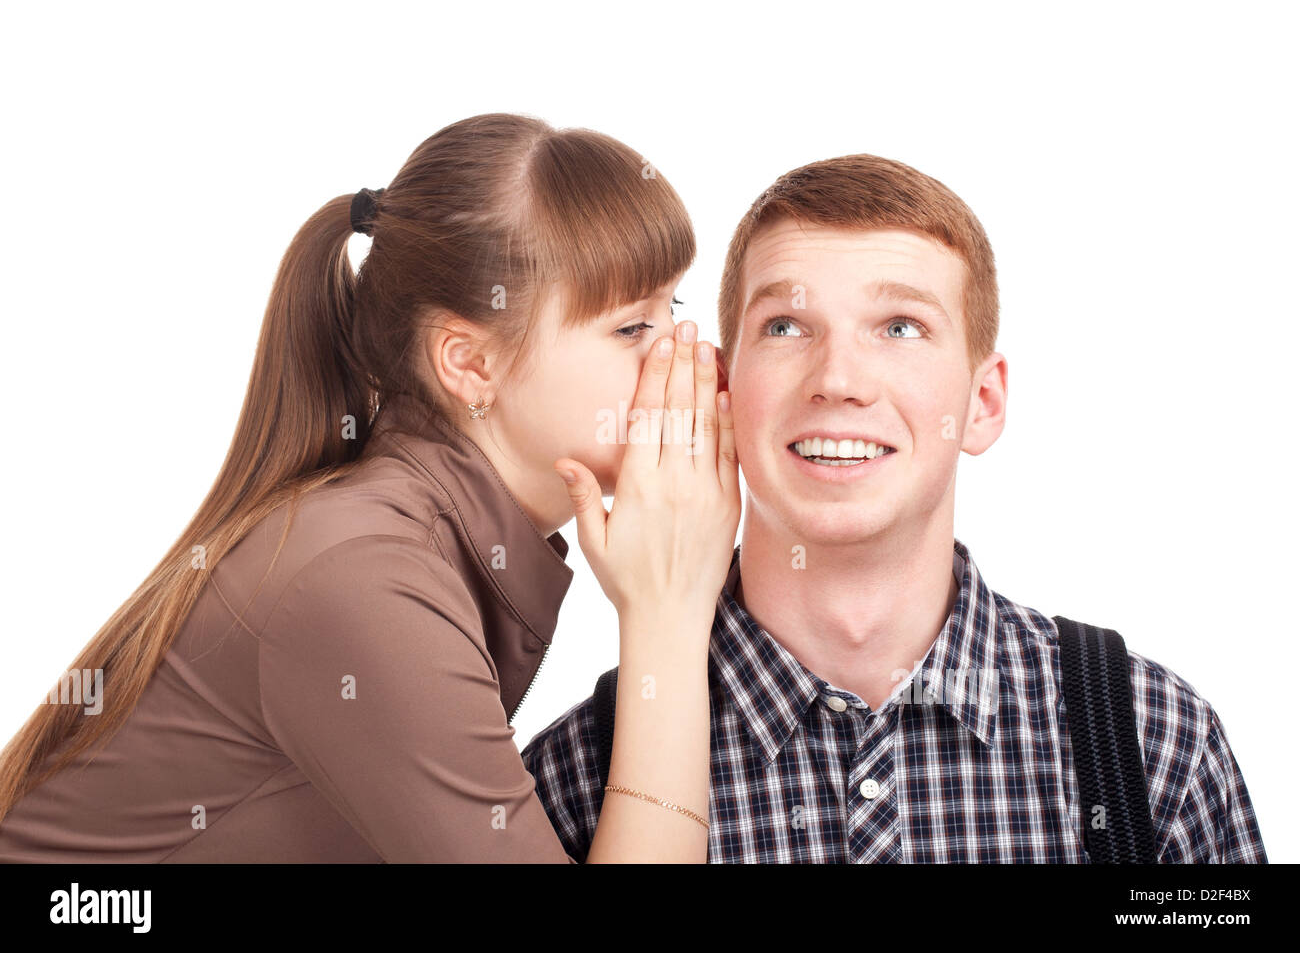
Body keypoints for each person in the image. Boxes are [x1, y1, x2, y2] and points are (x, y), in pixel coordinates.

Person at [0, 112, 740, 862]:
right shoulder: (366, 575)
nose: (687, 353)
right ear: (470, 364)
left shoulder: (406, 542)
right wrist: (668, 618)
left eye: (672, 309)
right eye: (630, 328)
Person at [522, 152, 1268, 863]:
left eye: (901, 328)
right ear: (721, 391)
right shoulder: (577, 780)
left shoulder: (1152, 744)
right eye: (785, 327)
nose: (839, 379)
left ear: (983, 402)